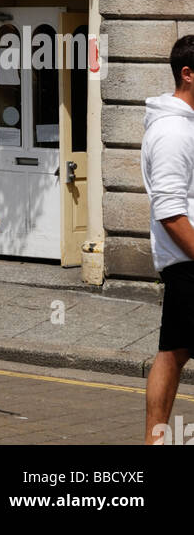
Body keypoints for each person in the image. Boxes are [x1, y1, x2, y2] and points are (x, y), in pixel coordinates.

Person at [142, 34, 194, 445]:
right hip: (187, 261)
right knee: (173, 352)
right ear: (188, 74)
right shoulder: (174, 132)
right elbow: (171, 211)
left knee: (174, 351)